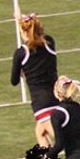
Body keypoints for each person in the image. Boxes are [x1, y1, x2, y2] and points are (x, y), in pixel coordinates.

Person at [11, 12, 61, 149]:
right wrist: (23, 22)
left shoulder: (21, 53)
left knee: (63, 140)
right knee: (40, 133)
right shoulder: (49, 42)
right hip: (56, 96)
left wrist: (23, 72)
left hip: (41, 102)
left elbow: (14, 80)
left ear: (24, 32)